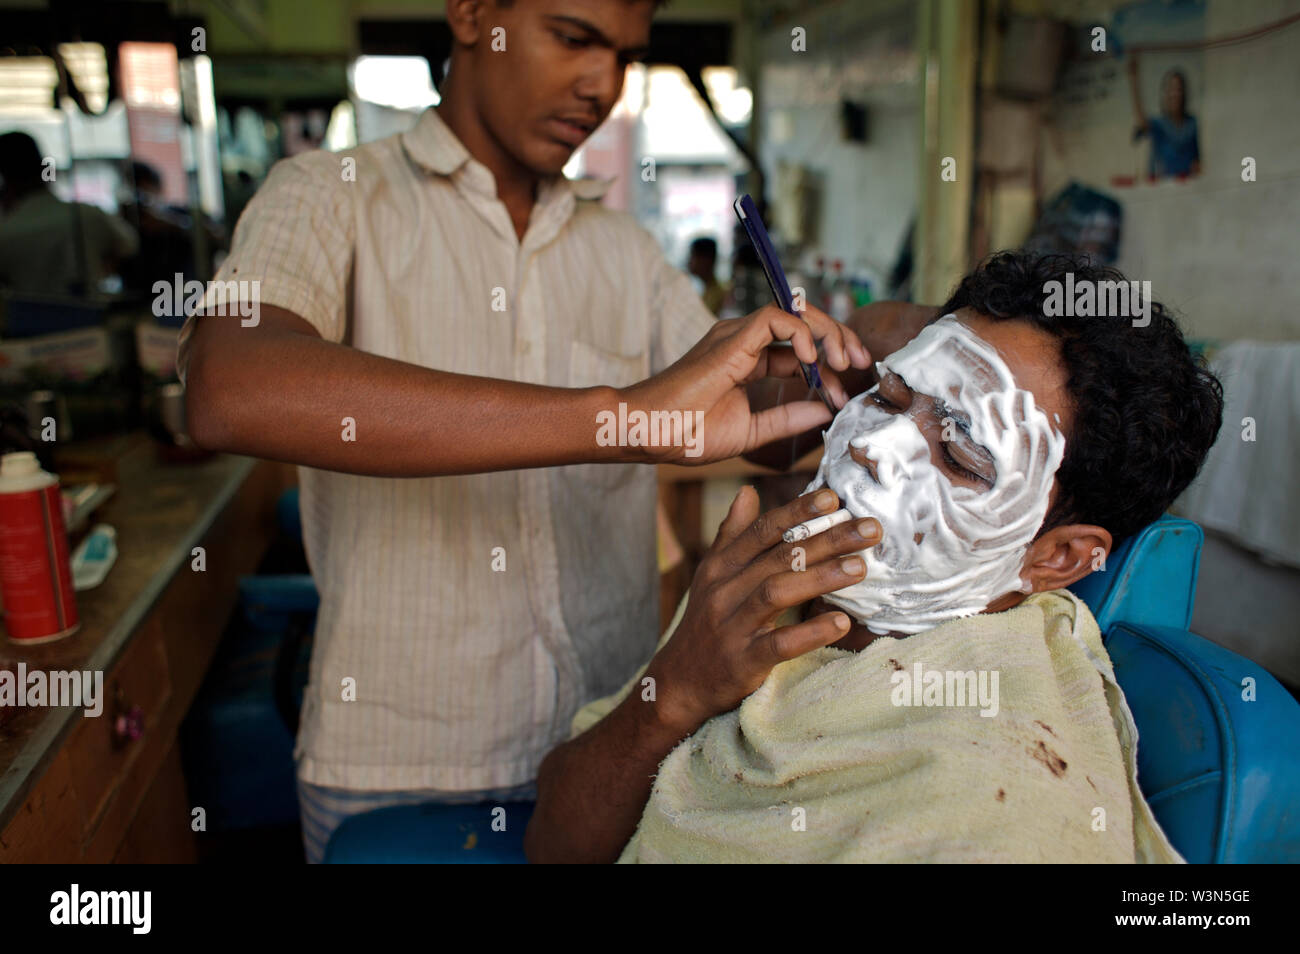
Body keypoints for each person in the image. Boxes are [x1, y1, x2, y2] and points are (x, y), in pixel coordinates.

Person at [176, 0, 871, 863]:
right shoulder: (329, 197)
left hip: (617, 735)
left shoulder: (624, 250)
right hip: (404, 758)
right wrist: (621, 418)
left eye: (624, 56)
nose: (600, 85)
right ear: (471, 14)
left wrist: (817, 381)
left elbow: (743, 423)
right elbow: (225, 385)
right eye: (573, 38)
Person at [525, 251, 1225, 863]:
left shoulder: (1002, 800)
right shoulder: (773, 579)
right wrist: (675, 688)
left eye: (958, 456)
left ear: (1059, 559)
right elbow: (553, 842)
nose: (870, 445)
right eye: (887, 397)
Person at [0, 131, 138, 297]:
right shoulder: (87, 215)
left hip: (29, 319)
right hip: (92, 315)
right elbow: (129, 246)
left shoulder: (7, 233)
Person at [1127, 56, 1200, 180]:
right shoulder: (1159, 124)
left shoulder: (1191, 124)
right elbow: (1142, 121)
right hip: (1163, 187)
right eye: (1171, 89)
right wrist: (1134, 80)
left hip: (1186, 187)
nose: (1174, 94)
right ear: (1165, 94)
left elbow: (1197, 161)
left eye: (1178, 89)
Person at [686, 236, 727, 315]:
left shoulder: (718, 294)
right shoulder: (707, 291)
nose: (689, 261)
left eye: (693, 256)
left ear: (706, 260)